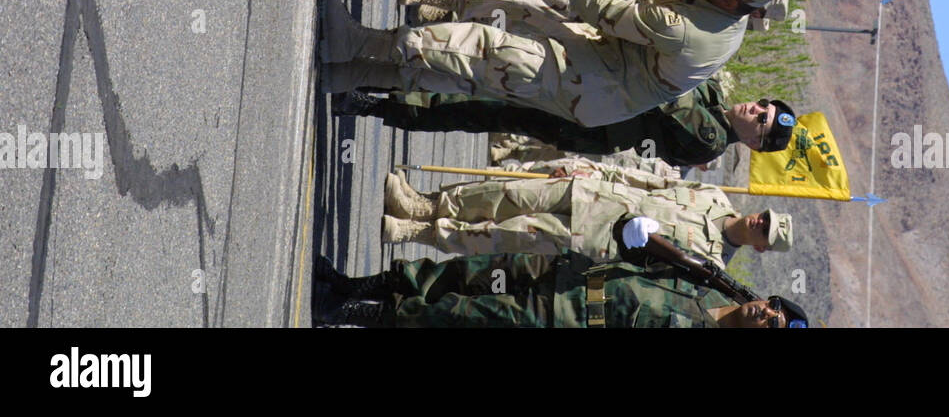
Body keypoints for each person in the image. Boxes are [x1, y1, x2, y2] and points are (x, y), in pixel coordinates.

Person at [317, 0, 786, 126]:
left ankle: (353, 44)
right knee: (497, 41)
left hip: (590, 82)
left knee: (485, 52)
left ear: (732, 0)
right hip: (603, 61)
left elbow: (601, 10)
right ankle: (351, 74)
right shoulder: (727, 4)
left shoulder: (690, 32)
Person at [378, 154, 793, 271]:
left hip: (590, 239)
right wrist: (594, 170)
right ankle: (421, 204)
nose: (760, 222)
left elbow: (646, 269)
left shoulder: (709, 262)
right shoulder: (714, 195)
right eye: (766, 217)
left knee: (503, 232)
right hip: (592, 191)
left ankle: (414, 232)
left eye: (766, 232)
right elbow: (647, 182)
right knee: (502, 192)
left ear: (760, 248)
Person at [312, 247, 808, 327]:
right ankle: (351, 284)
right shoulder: (710, 283)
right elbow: (644, 254)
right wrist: (637, 234)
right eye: (773, 307)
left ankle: (350, 313)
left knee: (460, 315)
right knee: (463, 273)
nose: (766, 314)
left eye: (773, 325)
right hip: (569, 275)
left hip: (559, 319)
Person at [334, 86, 796, 167]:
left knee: (483, 109)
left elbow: (664, 91)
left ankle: (378, 107)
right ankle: (387, 85)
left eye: (761, 120)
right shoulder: (714, 97)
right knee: (485, 78)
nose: (756, 109)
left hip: (584, 121)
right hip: (590, 95)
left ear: (754, 144)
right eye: (763, 105)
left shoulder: (710, 139)